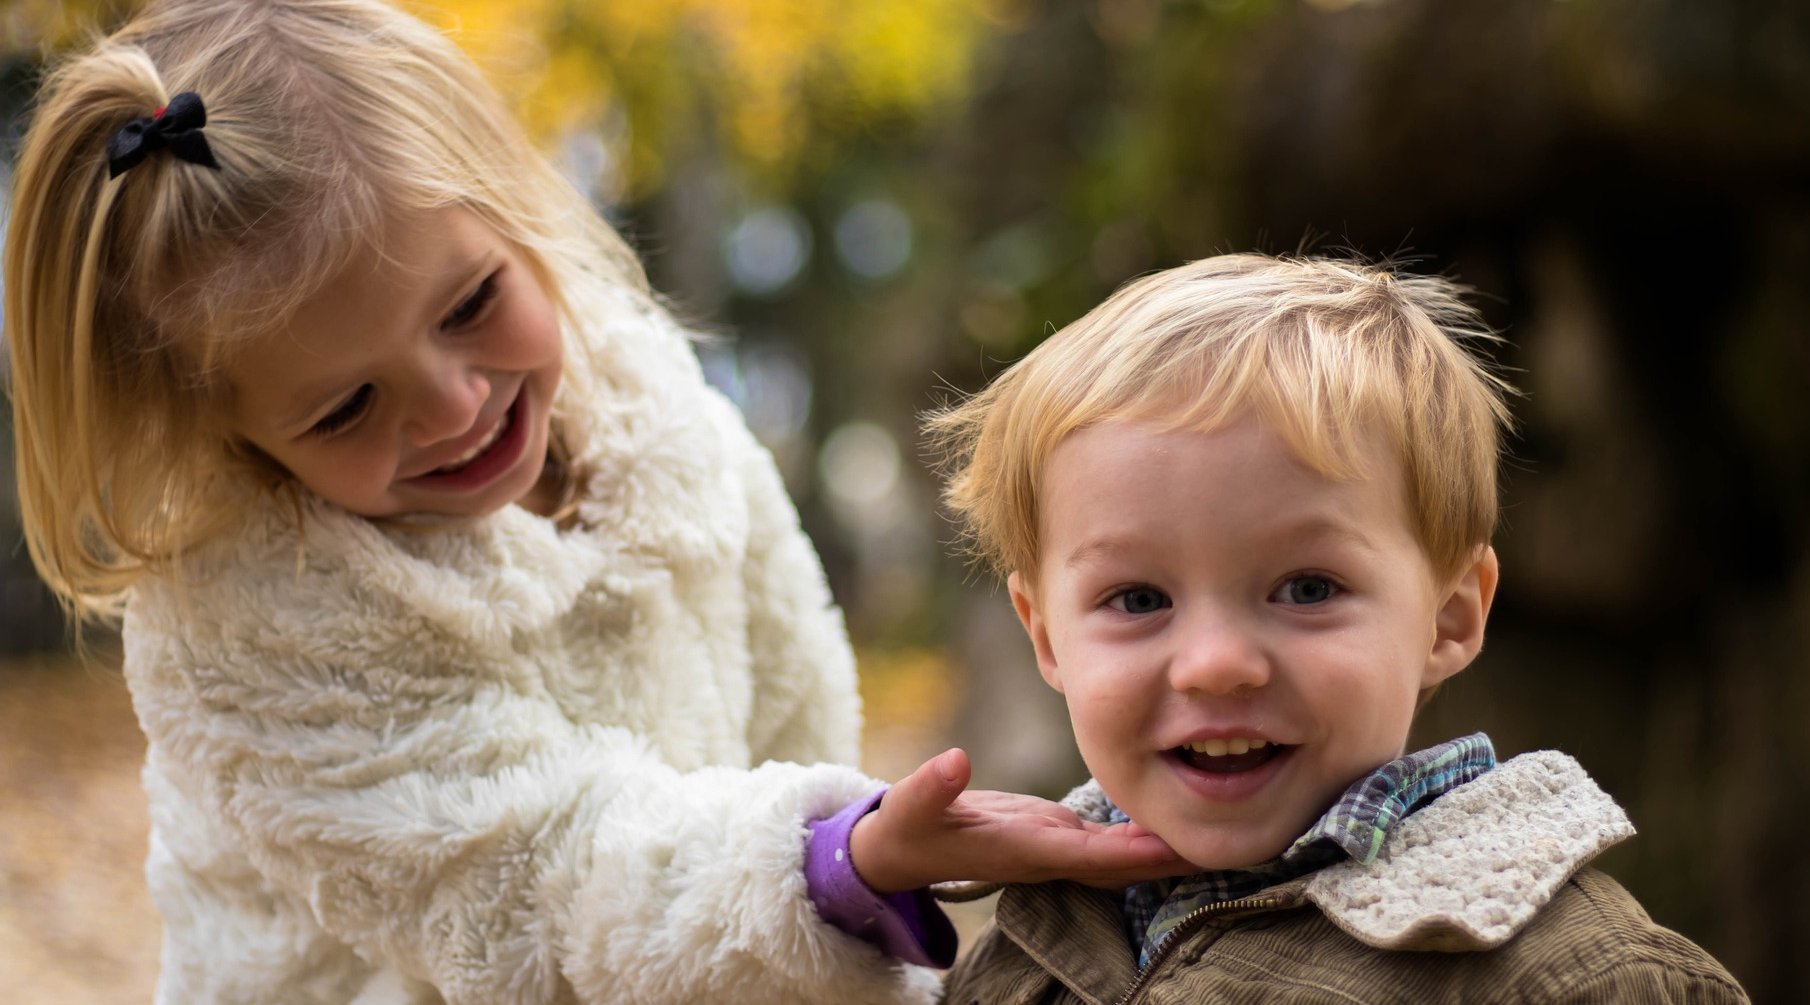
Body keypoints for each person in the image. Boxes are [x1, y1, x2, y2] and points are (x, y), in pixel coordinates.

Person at [1, 2, 1185, 1002]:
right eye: (345, 408)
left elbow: (788, 698)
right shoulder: (253, 625)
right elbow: (530, 887)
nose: (453, 406)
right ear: (233, 436)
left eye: (470, 303)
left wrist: (854, 919)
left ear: (519, 215)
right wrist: (829, 867)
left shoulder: (649, 415)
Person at [920, 254, 1752, 1002]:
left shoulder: (1568, 978)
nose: (1215, 665)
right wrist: (838, 878)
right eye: (1139, 599)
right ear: (1047, 637)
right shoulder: (1026, 945)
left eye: (1307, 587)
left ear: (1450, 616)